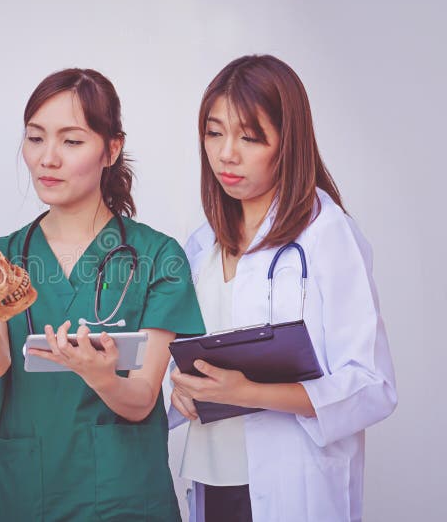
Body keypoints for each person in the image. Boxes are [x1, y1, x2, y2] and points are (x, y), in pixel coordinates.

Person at [0, 68, 205, 521]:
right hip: (23, 493)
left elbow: (140, 399)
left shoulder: (158, 257)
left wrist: (101, 375)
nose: (46, 159)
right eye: (35, 138)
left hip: (123, 497)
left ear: (111, 149)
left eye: (71, 142)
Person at [168, 54, 397, 521]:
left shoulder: (327, 234)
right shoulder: (202, 242)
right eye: (214, 133)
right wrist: (183, 390)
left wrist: (248, 392)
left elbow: (372, 385)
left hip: (293, 481)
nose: (226, 153)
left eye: (249, 137)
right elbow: (183, 353)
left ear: (286, 143)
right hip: (212, 477)